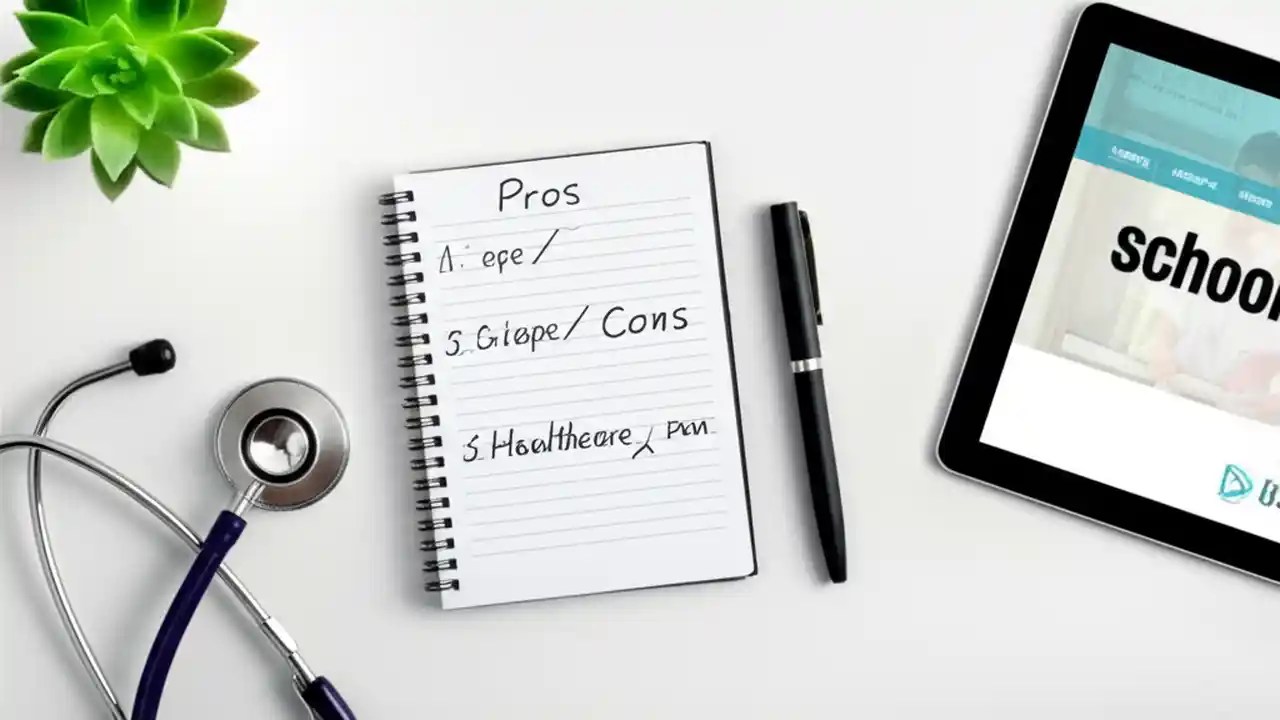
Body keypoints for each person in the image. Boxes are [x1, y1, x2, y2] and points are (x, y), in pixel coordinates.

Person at [1145, 132, 1280, 421]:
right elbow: (1164, 327)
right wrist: (1161, 353)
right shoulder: (1196, 243)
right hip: (1173, 398)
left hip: (1239, 419)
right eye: (1243, 186)